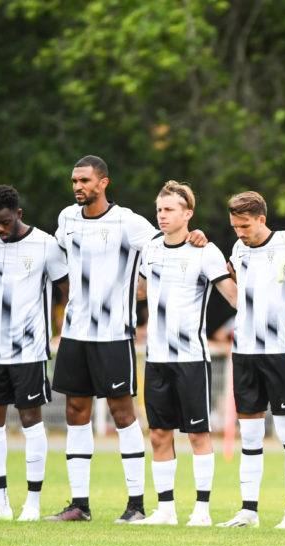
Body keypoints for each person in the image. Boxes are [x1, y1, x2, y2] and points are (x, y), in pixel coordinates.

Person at [43, 155, 190, 523]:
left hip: (113, 335)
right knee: (75, 413)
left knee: (122, 414)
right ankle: (79, 505)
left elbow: (169, 245)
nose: (78, 187)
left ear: (103, 183)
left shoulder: (129, 222)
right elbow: (57, 261)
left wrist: (194, 237)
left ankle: (136, 506)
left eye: (85, 181)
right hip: (75, 334)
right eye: (74, 181)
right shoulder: (66, 219)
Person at [131, 180, 237, 526]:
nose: (162, 215)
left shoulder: (205, 251)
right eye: (160, 209)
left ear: (187, 214)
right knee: (160, 434)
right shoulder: (151, 249)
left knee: (197, 434)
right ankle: (165, 510)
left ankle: (202, 511)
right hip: (157, 358)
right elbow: (143, 291)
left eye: (170, 209)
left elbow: (234, 297)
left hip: (191, 358)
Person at [0, 185, 69, 521]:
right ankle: (0, 502)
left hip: (30, 351)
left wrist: (60, 331)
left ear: (19, 215)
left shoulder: (46, 245)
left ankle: (33, 504)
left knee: (30, 421)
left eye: (5, 222)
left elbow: (66, 292)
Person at [218, 191, 285, 529]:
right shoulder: (239, 248)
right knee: (251, 435)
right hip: (244, 352)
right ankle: (249, 511)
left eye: (245, 225)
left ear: (261, 218)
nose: (240, 232)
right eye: (235, 227)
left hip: (277, 352)